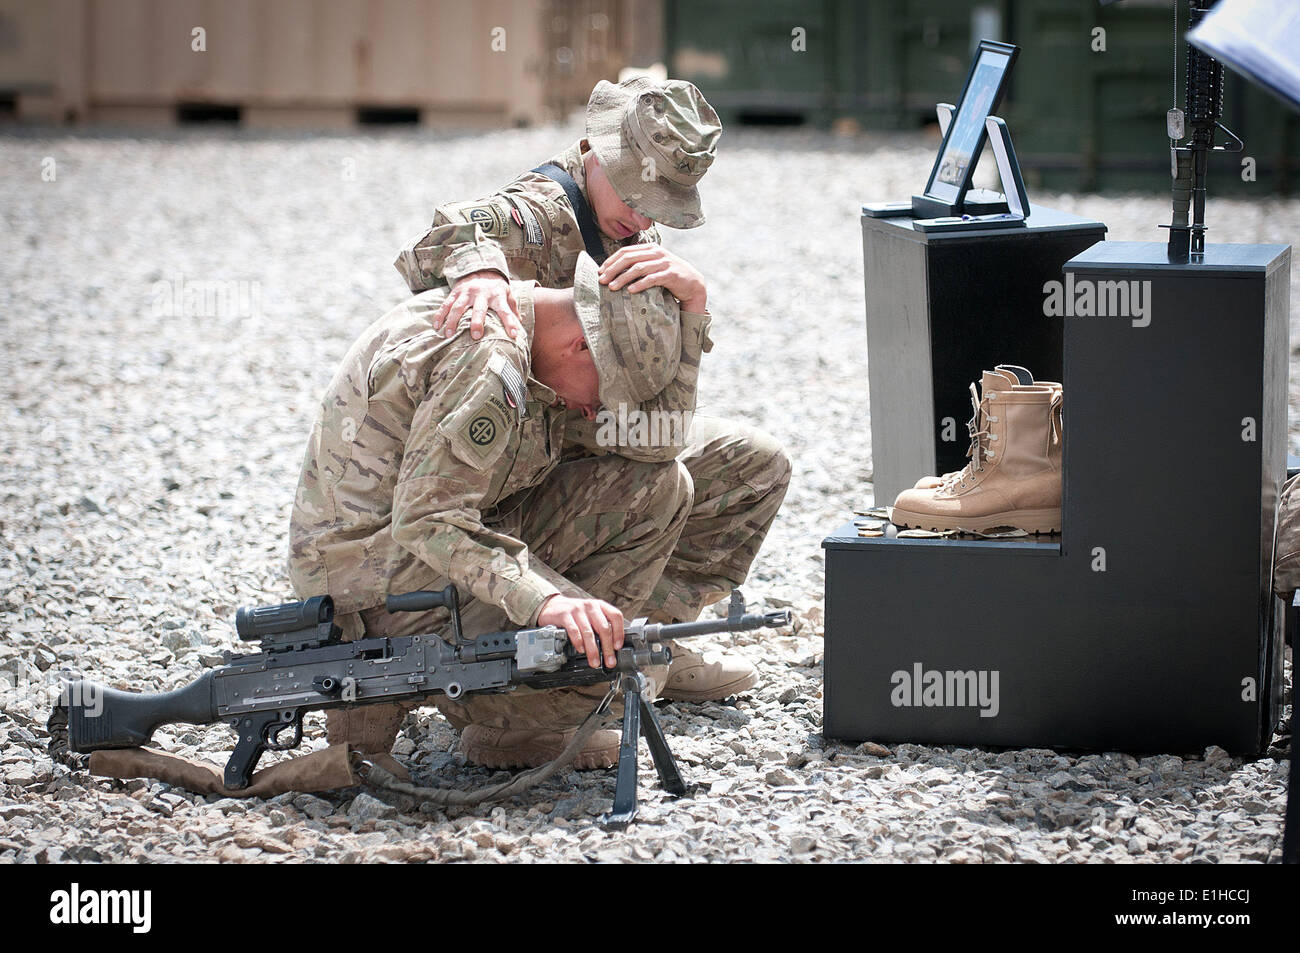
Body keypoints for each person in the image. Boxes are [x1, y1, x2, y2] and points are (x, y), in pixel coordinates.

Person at [288, 253, 784, 772]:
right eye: (607, 393)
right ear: (580, 346)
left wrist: (694, 310)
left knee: (674, 477)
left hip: (411, 549)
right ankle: (519, 716)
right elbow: (428, 520)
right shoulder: (488, 358)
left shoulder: (536, 330)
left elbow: (656, 442)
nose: (598, 410)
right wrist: (548, 601)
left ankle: (583, 673)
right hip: (379, 591)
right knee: (649, 503)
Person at [392, 75, 790, 706]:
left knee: (751, 462)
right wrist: (483, 270)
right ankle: (560, 680)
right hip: (496, 462)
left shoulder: (630, 231)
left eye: (661, 204)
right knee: (658, 484)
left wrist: (693, 305)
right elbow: (443, 234)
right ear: (596, 154)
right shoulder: (540, 211)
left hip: (576, 429)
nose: (644, 215)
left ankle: (651, 637)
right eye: (636, 194)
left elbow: (660, 424)